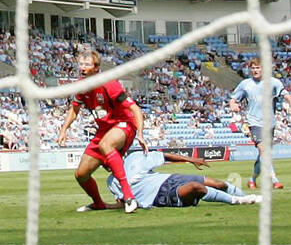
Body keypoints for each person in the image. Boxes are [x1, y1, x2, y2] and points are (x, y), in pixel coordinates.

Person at [56, 49, 146, 213]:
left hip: (124, 124)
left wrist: (140, 134)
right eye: (81, 64)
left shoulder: (108, 83)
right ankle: (98, 203)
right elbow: (74, 109)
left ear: (96, 68)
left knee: (106, 144)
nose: (83, 67)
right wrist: (63, 130)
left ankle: (129, 196)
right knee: (81, 174)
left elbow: (134, 109)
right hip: (104, 130)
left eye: (87, 64)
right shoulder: (81, 86)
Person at [98, 148, 262, 210]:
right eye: (105, 164)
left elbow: (164, 156)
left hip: (170, 178)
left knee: (217, 183)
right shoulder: (112, 182)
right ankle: (236, 201)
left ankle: (244, 195)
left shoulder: (134, 158)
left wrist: (191, 160)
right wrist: (105, 206)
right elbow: (123, 201)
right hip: (158, 195)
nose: (108, 165)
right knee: (196, 187)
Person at [229, 57, 291, 190]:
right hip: (254, 122)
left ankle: (252, 179)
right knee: (264, 151)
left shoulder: (274, 83)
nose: (255, 70)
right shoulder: (245, 84)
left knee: (263, 155)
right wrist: (233, 104)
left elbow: (288, 97)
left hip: (270, 123)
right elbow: (233, 99)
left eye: (258, 68)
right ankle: (275, 180)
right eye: (253, 68)